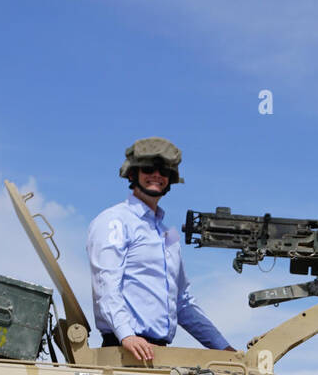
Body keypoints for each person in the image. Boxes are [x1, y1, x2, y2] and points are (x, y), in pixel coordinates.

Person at [86, 137, 234, 363]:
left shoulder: (168, 235)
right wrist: (127, 334)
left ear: (170, 179)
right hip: (124, 351)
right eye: (148, 168)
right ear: (132, 174)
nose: (156, 175)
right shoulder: (114, 221)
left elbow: (182, 302)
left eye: (163, 170)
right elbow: (106, 284)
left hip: (160, 355)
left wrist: (223, 348)